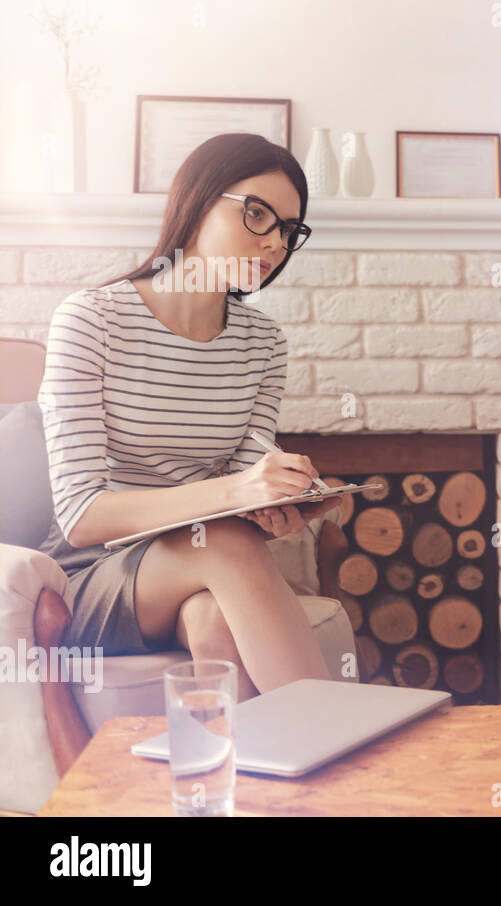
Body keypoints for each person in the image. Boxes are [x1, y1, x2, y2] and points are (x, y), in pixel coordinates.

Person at [36, 132, 341, 704]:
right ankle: (342, 740)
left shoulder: (263, 343)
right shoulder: (92, 319)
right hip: (92, 576)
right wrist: (234, 497)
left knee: (214, 621)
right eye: (257, 214)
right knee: (222, 540)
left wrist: (280, 506)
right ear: (197, 201)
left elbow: (246, 484)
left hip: (201, 567)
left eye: (289, 230)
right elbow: (81, 514)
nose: (275, 242)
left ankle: (255, 786)